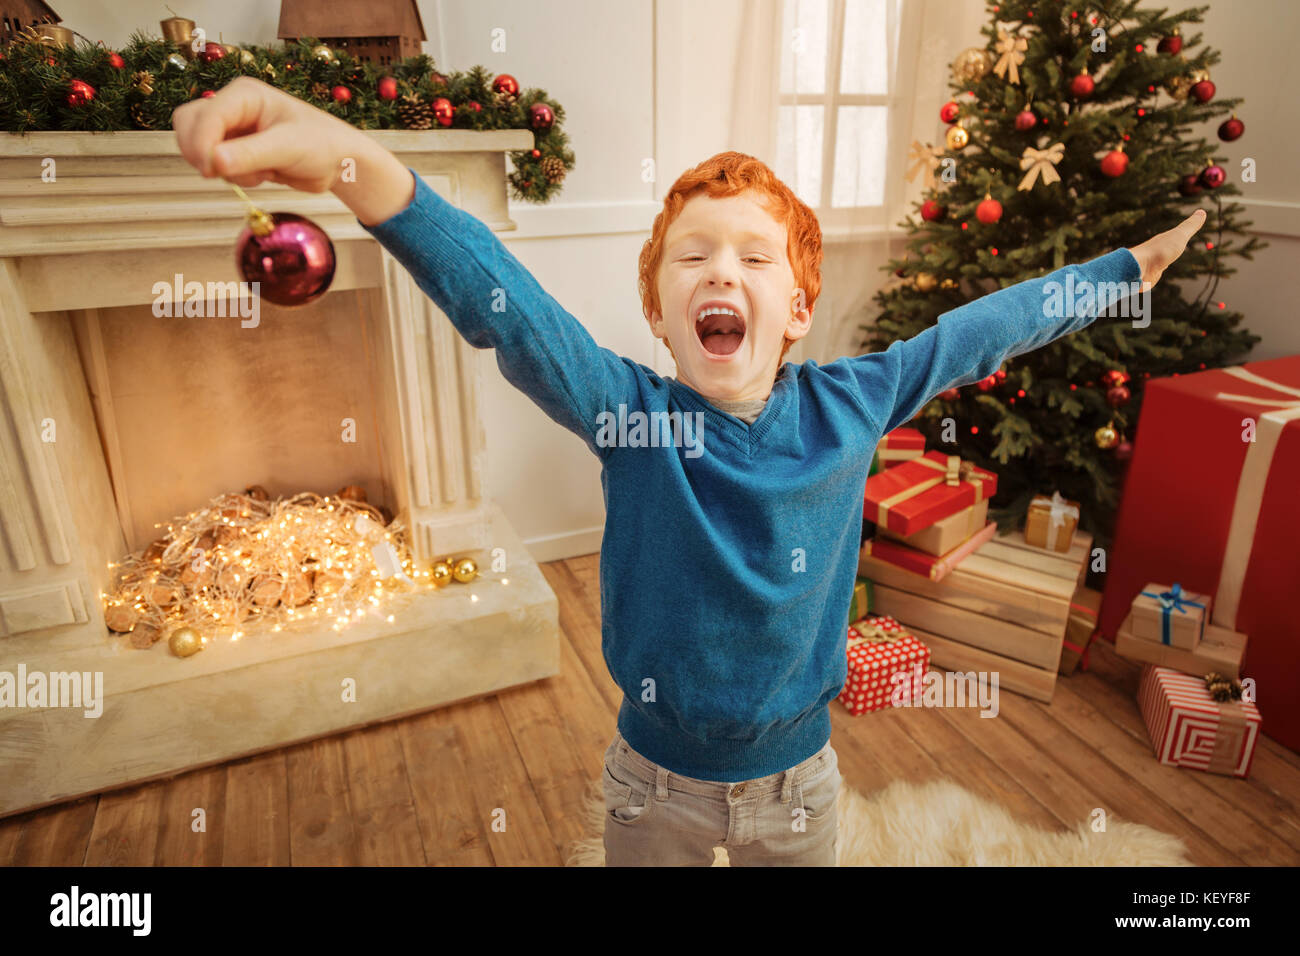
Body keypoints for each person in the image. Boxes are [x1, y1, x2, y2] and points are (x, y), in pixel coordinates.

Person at [173, 76, 1207, 866]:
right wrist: (353, 162)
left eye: (754, 258)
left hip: (800, 790)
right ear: (659, 313)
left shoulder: (854, 401)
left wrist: (1122, 274)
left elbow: (978, 332)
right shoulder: (628, 413)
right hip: (650, 784)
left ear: (797, 309)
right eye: (693, 256)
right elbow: (506, 308)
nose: (721, 270)